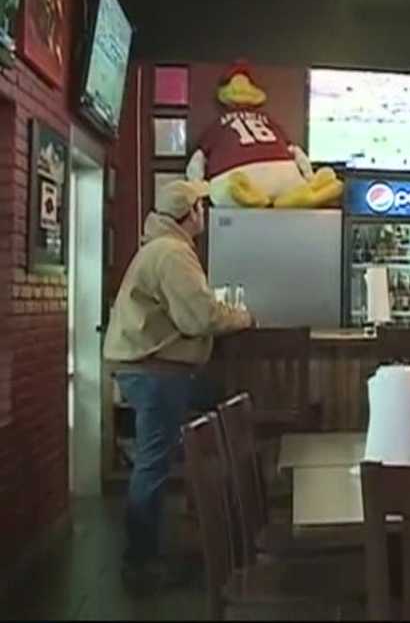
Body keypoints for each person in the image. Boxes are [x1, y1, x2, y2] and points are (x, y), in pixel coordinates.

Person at [103, 180, 254, 593]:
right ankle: (140, 563)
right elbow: (200, 317)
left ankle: (173, 536)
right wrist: (245, 317)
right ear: (189, 214)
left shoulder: (161, 248)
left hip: (151, 368)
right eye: (200, 206)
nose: (204, 212)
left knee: (160, 454)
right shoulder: (173, 254)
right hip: (156, 371)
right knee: (153, 463)